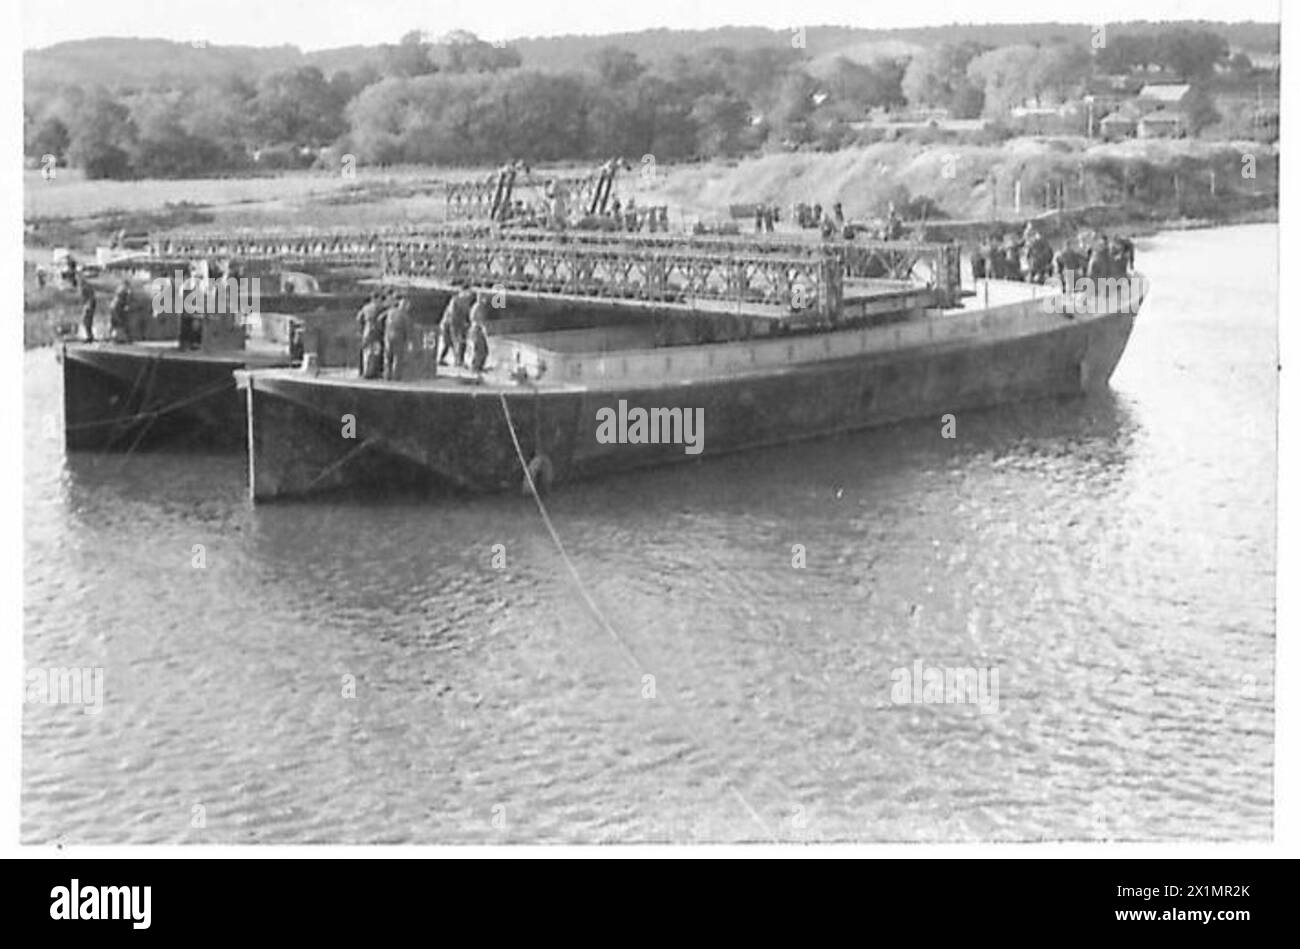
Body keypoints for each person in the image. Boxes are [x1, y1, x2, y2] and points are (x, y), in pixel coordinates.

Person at [439, 286, 473, 367]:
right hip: (449, 324)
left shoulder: (466, 303)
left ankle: (459, 361)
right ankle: (448, 360)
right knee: (451, 343)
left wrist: (468, 325)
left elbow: (467, 316)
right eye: (467, 294)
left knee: (460, 342)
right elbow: (452, 316)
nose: (468, 296)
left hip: (458, 324)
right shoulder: (455, 301)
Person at [383, 295, 412, 381]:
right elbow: (408, 329)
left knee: (388, 357)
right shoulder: (405, 316)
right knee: (397, 357)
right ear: (405, 306)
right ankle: (396, 377)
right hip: (398, 336)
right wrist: (408, 341)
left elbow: (380, 319)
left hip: (388, 336)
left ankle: (386, 376)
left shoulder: (390, 311)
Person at [468, 297, 490, 374]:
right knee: (479, 350)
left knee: (484, 351)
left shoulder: (480, 307)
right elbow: (478, 320)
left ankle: (479, 367)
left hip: (477, 330)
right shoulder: (478, 307)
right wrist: (484, 328)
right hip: (476, 330)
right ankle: (475, 368)